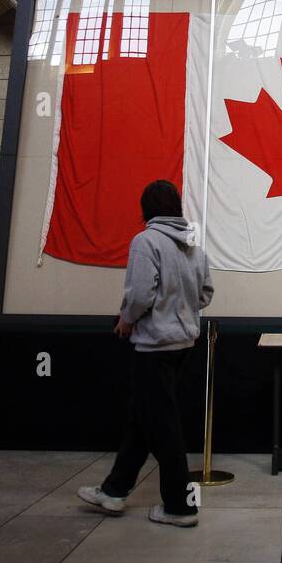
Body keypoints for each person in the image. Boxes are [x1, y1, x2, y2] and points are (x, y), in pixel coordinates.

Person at [78, 179, 213, 527]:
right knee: (143, 419)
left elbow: (139, 294)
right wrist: (182, 309)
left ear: (146, 210)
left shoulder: (146, 241)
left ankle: (180, 508)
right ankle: (114, 491)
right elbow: (205, 293)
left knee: (162, 427)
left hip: (153, 346)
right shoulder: (193, 246)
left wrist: (126, 320)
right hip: (183, 344)